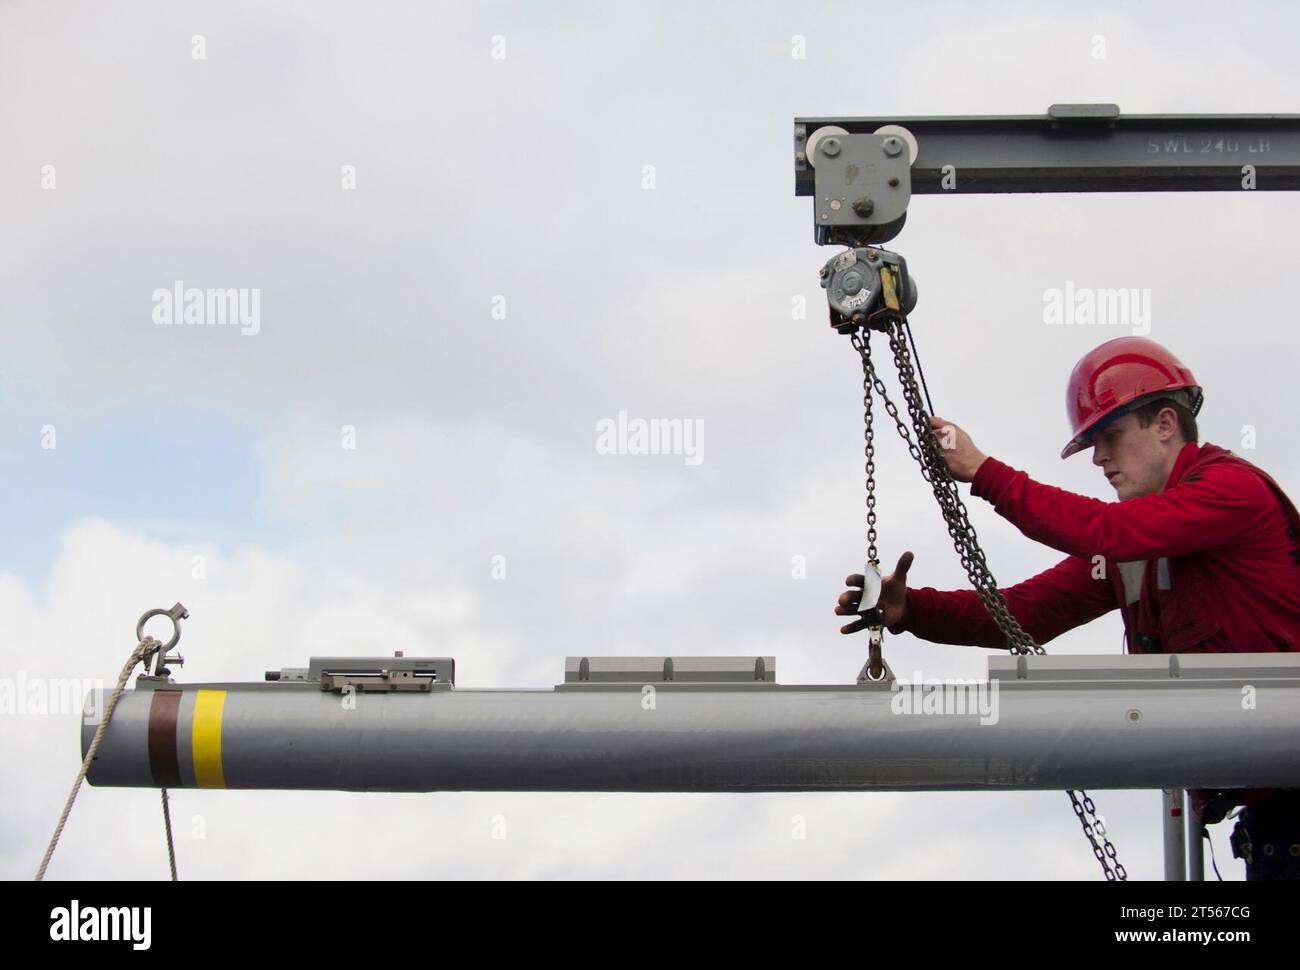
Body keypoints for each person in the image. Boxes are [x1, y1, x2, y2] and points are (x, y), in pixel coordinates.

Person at [834, 335, 1300, 880]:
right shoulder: (1138, 549)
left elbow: (1105, 529)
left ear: (1166, 425)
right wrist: (912, 611)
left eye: (1111, 437)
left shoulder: (1230, 492)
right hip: (1274, 823)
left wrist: (985, 473)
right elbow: (1026, 612)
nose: (1099, 458)